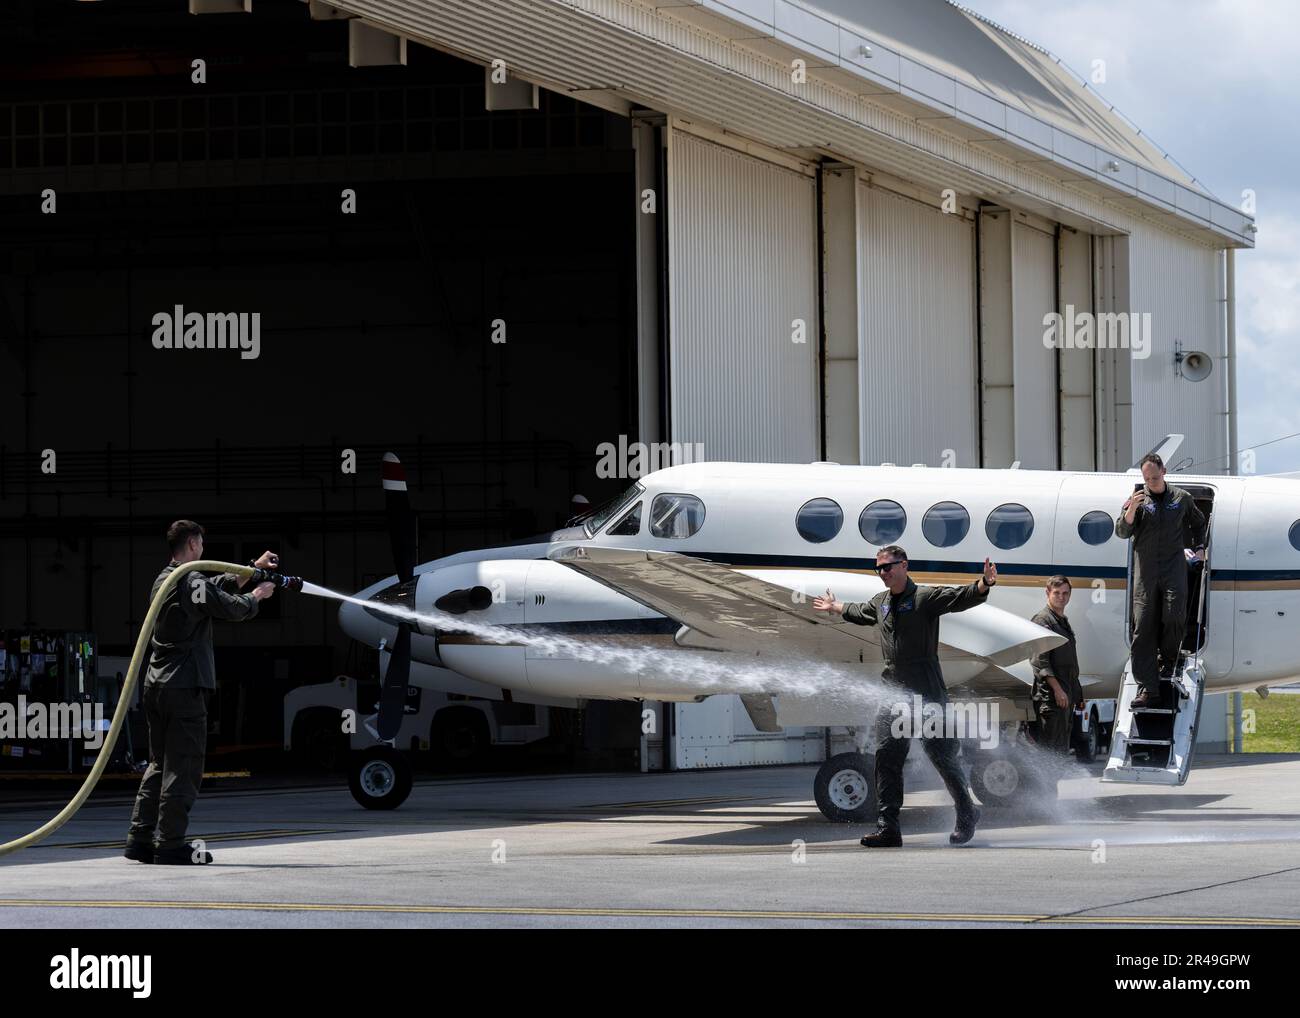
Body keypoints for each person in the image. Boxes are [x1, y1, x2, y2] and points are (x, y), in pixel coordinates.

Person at [814, 547, 997, 847]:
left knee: (942, 757)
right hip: (893, 693)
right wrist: (835, 607)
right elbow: (861, 613)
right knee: (886, 758)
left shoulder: (924, 598)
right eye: (879, 569)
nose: (883, 573)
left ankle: (966, 812)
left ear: (904, 566)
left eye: (888, 567)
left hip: (927, 692)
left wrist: (984, 584)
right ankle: (888, 828)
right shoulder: (882, 602)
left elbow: (959, 598)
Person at [123, 520, 277, 865]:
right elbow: (227, 606)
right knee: (184, 766)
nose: (203, 549)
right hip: (184, 686)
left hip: (156, 685)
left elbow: (213, 587)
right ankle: (171, 843)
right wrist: (255, 596)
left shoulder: (166, 579)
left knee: (160, 763)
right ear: (193, 544)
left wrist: (252, 569)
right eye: (202, 543)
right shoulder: (190, 581)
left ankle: (140, 837)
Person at [1115, 454, 1207, 708]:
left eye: (1155, 477)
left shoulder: (1181, 499)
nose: (1151, 482)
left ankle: (1168, 660)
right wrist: (1132, 509)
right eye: (1146, 479)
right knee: (1142, 626)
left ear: (1164, 472)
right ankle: (1147, 688)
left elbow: (1199, 524)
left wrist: (1199, 548)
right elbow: (1122, 531)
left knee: (1174, 616)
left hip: (1173, 567)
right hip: (1145, 573)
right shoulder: (1138, 500)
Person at [1029, 576, 1081, 759]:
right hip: (1050, 698)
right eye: (1057, 593)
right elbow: (1040, 661)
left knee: (1060, 752)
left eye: (1065, 593)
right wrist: (1058, 690)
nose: (1061, 597)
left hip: (1064, 698)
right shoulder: (1043, 620)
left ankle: (1051, 788)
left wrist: (1076, 694)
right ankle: (1044, 788)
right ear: (1048, 593)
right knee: (1050, 752)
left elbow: (1069, 663)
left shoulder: (1061, 621)